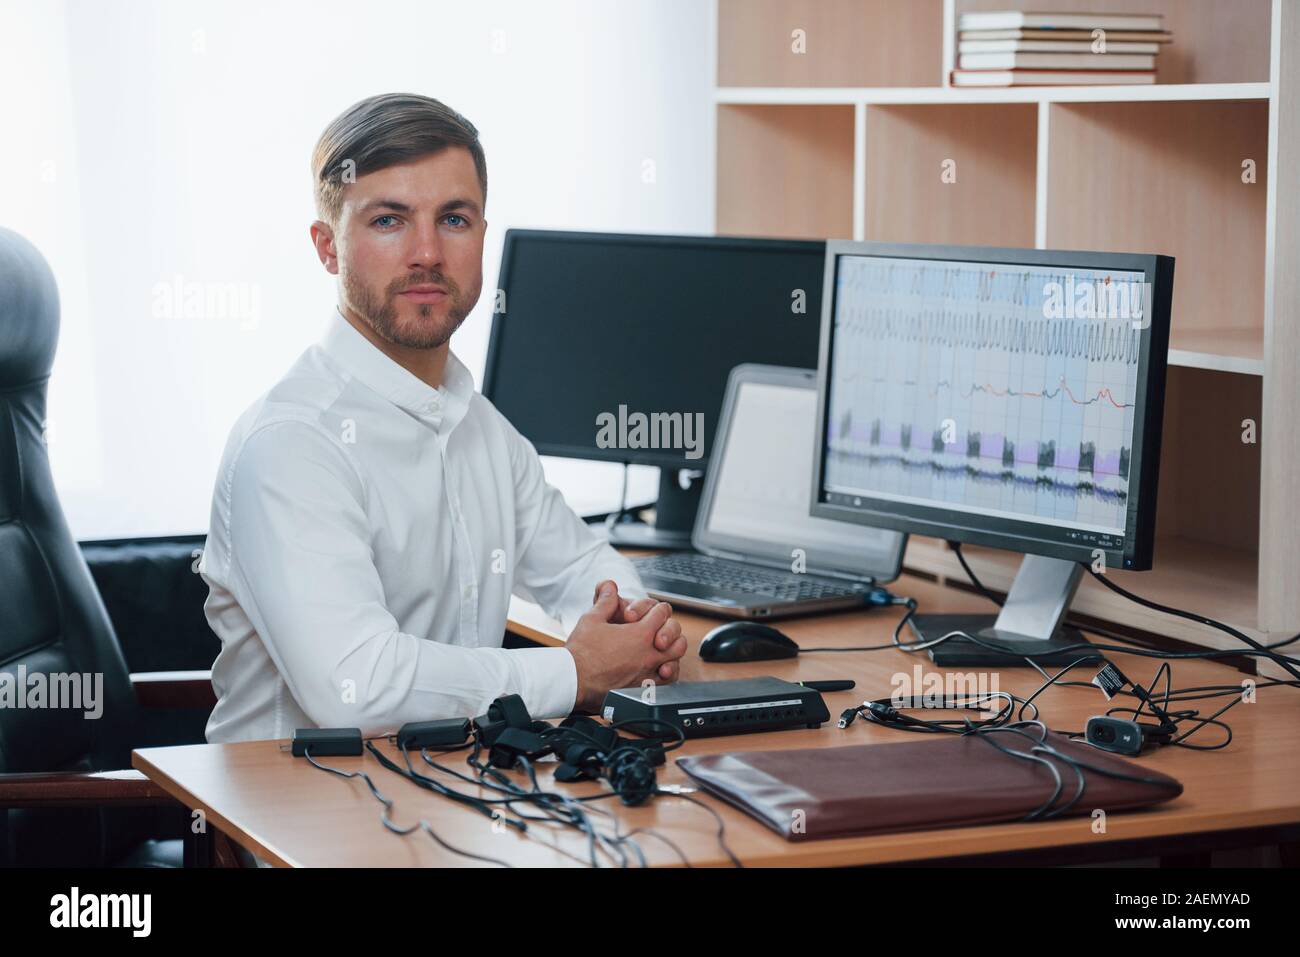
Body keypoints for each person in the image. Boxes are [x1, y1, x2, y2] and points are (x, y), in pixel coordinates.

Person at [199, 93, 686, 743]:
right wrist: (576, 670)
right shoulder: (291, 443)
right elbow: (357, 686)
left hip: (460, 801)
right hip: (304, 824)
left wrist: (635, 626)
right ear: (327, 248)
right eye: (389, 221)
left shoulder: (478, 426)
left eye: (453, 219)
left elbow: (579, 569)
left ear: (482, 234)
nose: (427, 252)